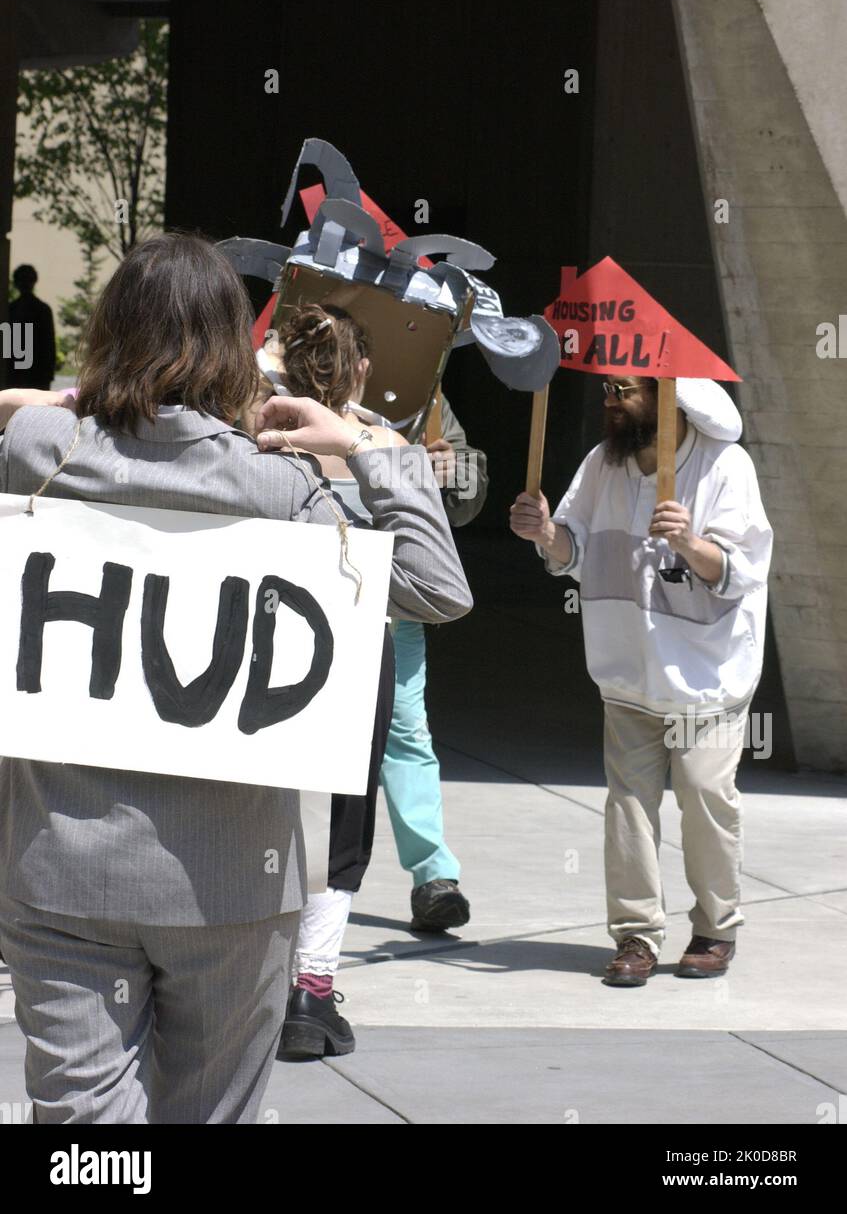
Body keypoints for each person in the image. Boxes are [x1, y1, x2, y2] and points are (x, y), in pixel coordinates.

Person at [0, 233, 472, 1123]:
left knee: (81, 1125)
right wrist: (369, 444)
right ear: (229, 343)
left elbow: (42, 416)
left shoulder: (42, 451)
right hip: (228, 883)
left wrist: (49, 403)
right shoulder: (280, 486)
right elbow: (436, 590)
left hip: (56, 869)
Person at [510, 375, 772, 986]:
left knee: (707, 801)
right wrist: (543, 531)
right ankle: (636, 936)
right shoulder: (604, 462)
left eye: (626, 389)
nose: (611, 398)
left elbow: (743, 570)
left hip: (707, 675)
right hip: (626, 668)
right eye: (607, 387)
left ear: (669, 399)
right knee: (628, 808)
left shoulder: (724, 465)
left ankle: (715, 927)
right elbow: (571, 550)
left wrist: (690, 541)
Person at [256, 302, 406, 1059]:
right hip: (356, 644)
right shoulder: (381, 442)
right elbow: (426, 566)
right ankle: (311, 991)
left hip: (257, 639)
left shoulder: (249, 437)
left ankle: (255, 979)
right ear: (361, 370)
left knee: (257, 802)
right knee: (343, 822)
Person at [385, 395, 488, 932]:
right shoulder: (281, 376)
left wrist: (451, 475)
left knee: (406, 733)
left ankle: (434, 877)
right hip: (307, 592)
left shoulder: (428, 393)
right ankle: (289, 873)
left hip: (395, 593)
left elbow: (468, 492)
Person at [9, 264, 56, 389]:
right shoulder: (42, 309)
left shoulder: (10, 310)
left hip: (20, 372)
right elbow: (49, 344)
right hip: (33, 373)